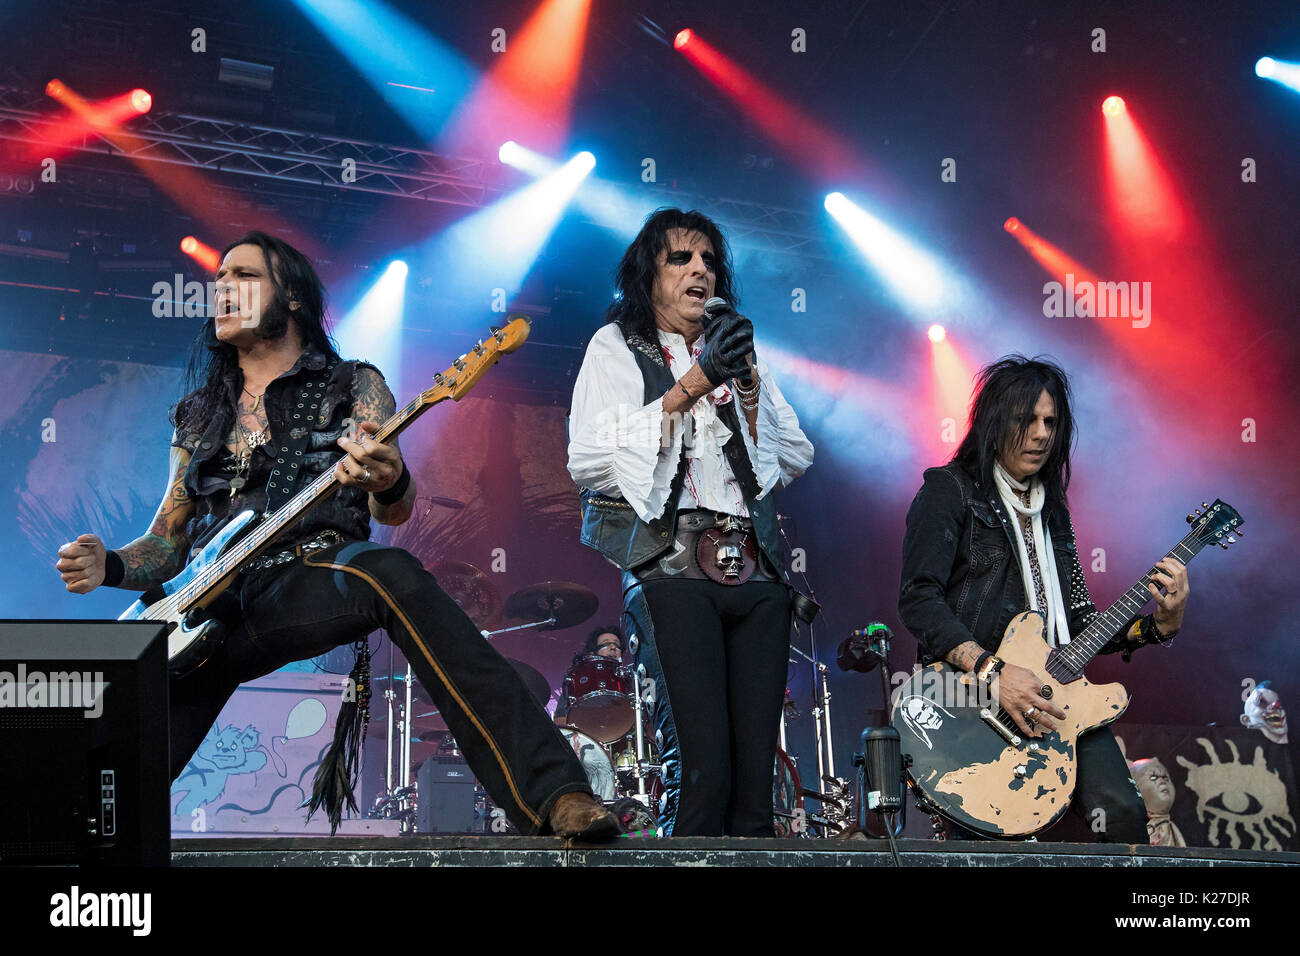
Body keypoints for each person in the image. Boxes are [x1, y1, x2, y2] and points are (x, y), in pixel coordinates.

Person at [55, 230, 619, 840]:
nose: (222, 289)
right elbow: (166, 540)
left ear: (292, 296)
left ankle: (554, 794)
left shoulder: (354, 385)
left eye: (243, 276)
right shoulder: (198, 412)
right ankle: (67, 843)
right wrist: (109, 565)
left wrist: (388, 476)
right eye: (218, 279)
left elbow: (395, 511)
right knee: (110, 772)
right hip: (206, 607)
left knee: (392, 575)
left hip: (309, 574)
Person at [567, 208, 814, 836]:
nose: (700, 269)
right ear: (648, 275)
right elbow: (592, 458)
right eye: (681, 258)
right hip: (670, 569)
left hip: (755, 575)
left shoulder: (733, 352)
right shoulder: (617, 346)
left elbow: (793, 456)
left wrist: (748, 381)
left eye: (708, 260)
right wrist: (693, 384)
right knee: (703, 771)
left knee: (758, 782)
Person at [898, 355, 1189, 843]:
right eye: (1025, 420)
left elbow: (1079, 623)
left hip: (1058, 697)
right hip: (975, 702)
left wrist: (1159, 624)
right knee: (990, 843)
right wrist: (994, 671)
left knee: (1122, 815)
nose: (1041, 434)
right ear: (994, 423)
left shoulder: (1052, 512)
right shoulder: (948, 491)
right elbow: (919, 600)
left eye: (1051, 422)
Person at [553, 624, 624, 726]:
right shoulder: (576, 683)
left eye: (617, 645)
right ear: (592, 654)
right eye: (606, 644)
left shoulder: (631, 680)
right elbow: (560, 722)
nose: (613, 647)